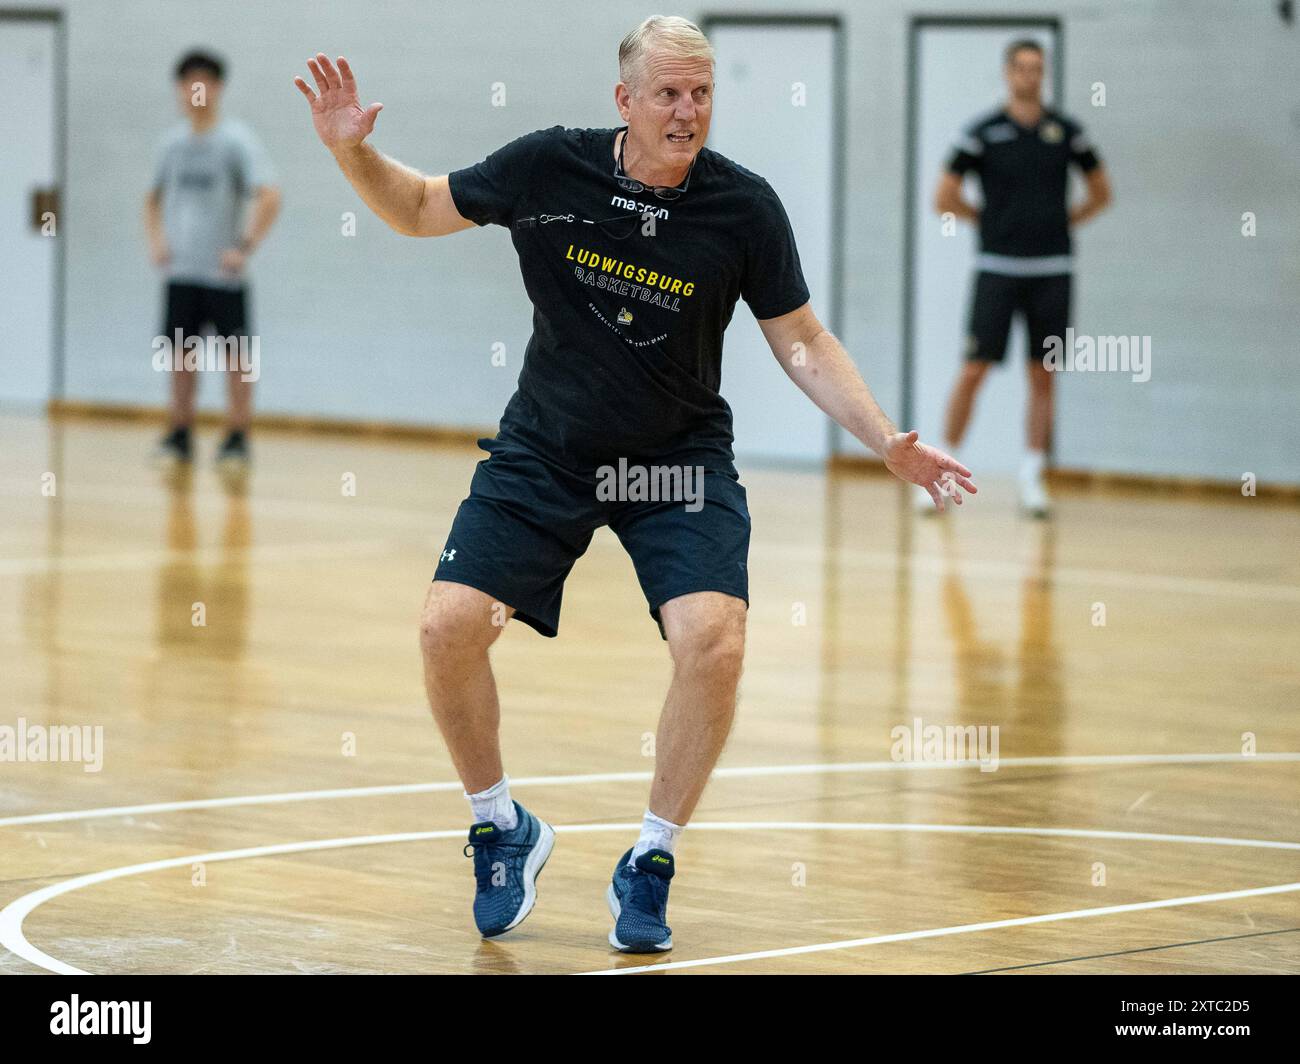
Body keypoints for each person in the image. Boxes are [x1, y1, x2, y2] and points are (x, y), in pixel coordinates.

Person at [294, 15, 976, 954]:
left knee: (716, 640)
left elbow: (803, 341)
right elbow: (416, 207)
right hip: (550, 448)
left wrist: (883, 438)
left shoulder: (744, 208)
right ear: (625, 101)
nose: (687, 111)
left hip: (676, 458)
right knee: (445, 626)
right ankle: (500, 826)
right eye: (668, 93)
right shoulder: (548, 169)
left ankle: (650, 860)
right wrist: (353, 154)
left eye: (701, 93)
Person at [925, 38, 1111, 517]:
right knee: (973, 370)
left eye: (1037, 68)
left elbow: (1100, 191)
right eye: (1021, 68)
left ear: (1043, 74)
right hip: (997, 270)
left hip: (1053, 271)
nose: (1029, 75)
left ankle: (1032, 476)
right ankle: (938, 474)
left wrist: (1063, 221)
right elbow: (943, 196)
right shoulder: (982, 133)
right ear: (1008, 73)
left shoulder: (1066, 132)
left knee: (1042, 374)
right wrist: (985, 220)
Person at [146, 50, 281, 469]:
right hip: (182, 272)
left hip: (224, 277)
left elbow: (270, 194)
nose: (196, 91)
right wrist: (157, 240)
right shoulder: (172, 144)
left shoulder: (236, 141)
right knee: (180, 356)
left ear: (218, 88)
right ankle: (180, 433)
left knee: (236, 358)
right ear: (180, 89)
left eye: (204, 83)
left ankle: (237, 437)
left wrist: (243, 246)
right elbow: (151, 199)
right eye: (189, 83)